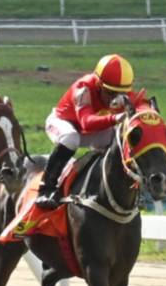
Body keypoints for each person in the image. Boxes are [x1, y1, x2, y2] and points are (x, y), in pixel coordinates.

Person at [34, 53, 137, 209]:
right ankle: (45, 188)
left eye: (119, 94)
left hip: (86, 131)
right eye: (110, 92)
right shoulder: (84, 88)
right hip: (63, 123)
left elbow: (143, 104)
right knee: (71, 138)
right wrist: (115, 118)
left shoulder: (120, 90)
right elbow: (86, 122)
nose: (113, 99)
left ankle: (108, 187)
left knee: (114, 138)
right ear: (99, 84)